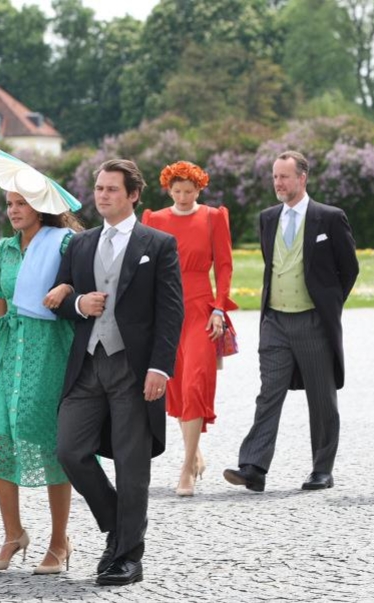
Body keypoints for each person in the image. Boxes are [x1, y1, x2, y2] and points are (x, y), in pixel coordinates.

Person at [52, 159, 184, 586]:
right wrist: (78, 305)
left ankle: (127, 555)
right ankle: (118, 524)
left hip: (134, 367)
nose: (102, 195)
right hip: (87, 363)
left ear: (133, 196)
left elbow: (170, 312)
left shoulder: (158, 244)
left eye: (112, 189)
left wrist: (160, 368)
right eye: (99, 188)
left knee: (132, 464)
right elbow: (60, 299)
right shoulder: (81, 244)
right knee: (70, 450)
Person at [0, 151, 84, 574]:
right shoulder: (2, 252)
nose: (14, 211)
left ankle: (59, 541)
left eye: (21, 203)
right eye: (9, 204)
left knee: (54, 445)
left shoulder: (66, 243)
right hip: (8, 356)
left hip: (51, 353)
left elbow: (87, 280)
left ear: (41, 206)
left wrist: (68, 286)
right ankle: (13, 534)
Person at [224, 151, 359, 492]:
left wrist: (327, 305)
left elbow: (350, 268)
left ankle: (321, 470)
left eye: (284, 177)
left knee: (321, 397)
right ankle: (253, 466)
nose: (278, 183)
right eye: (274, 177)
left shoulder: (329, 218)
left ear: (303, 178)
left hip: (313, 320)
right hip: (275, 322)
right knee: (269, 393)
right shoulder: (268, 218)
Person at [141, 160, 236, 497]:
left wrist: (219, 309)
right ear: (169, 189)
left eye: (189, 191)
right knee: (177, 386)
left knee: (196, 381)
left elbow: (224, 266)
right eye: (176, 191)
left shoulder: (213, 218)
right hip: (165, 310)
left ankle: (186, 469)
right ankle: (195, 452)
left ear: (199, 189)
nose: (182, 197)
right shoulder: (154, 219)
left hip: (200, 308)